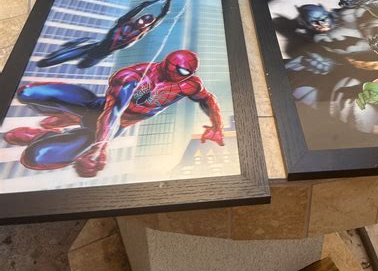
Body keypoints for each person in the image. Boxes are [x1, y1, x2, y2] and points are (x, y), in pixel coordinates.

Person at [4, 49, 224, 177]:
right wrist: (101, 145)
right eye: (175, 69)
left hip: (110, 127)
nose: (178, 74)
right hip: (95, 108)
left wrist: (217, 126)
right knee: (26, 92)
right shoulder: (132, 76)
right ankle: (64, 119)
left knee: (33, 158)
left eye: (184, 72)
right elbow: (114, 110)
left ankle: (47, 135)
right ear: (165, 63)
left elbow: (207, 99)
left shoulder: (189, 85)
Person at [37, 0, 176, 70]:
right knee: (53, 60)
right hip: (93, 48)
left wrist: (168, 0)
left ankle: (63, 54)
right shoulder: (124, 21)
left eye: (148, 21)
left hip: (99, 55)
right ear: (139, 17)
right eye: (144, 18)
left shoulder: (142, 32)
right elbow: (142, 6)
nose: (144, 21)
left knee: (82, 65)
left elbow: (163, 14)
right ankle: (57, 55)